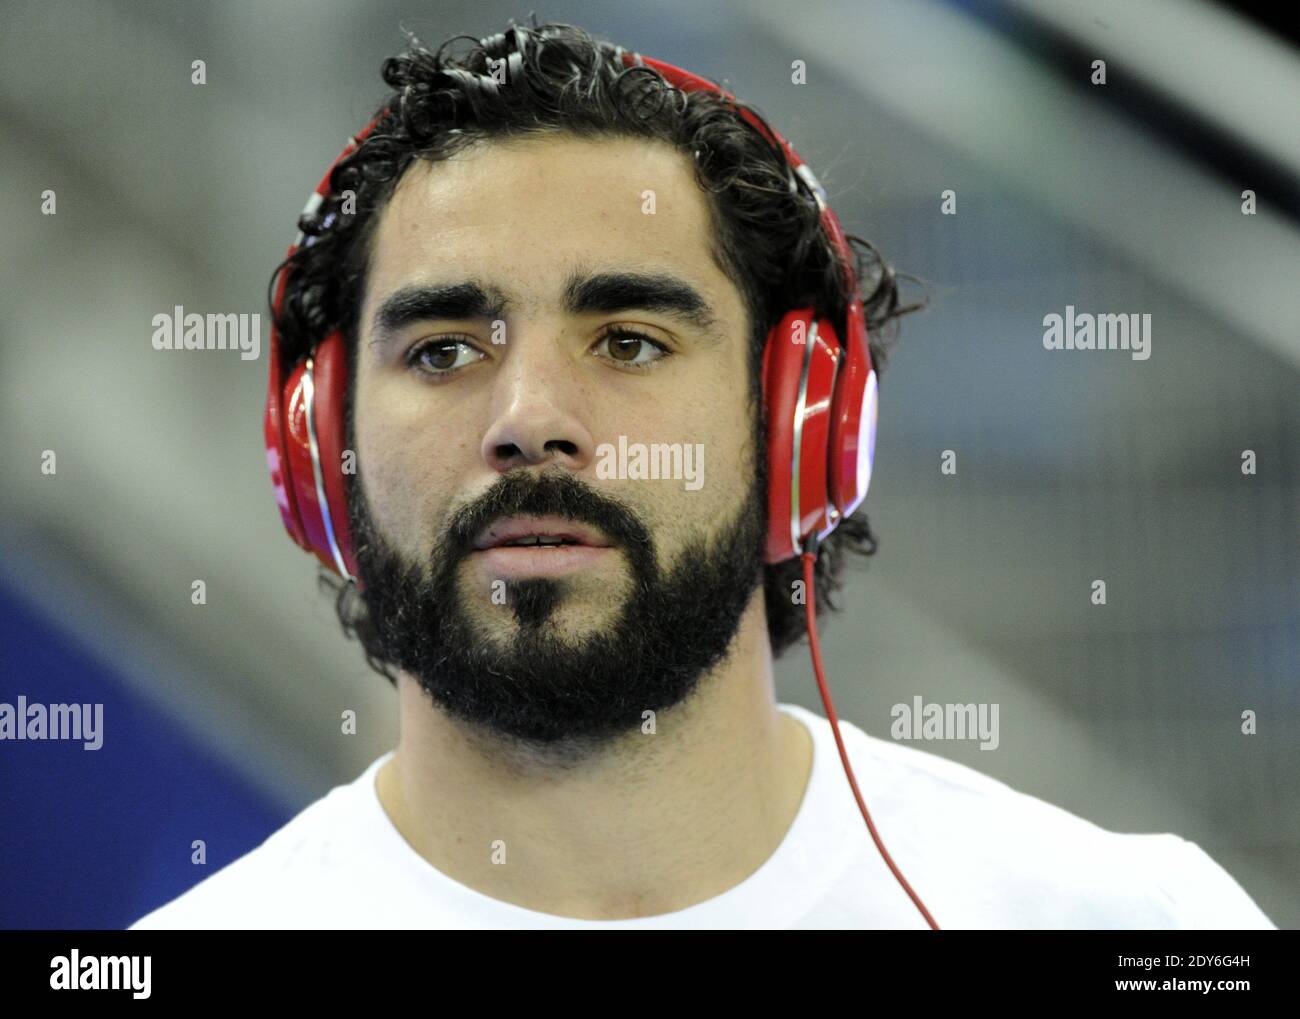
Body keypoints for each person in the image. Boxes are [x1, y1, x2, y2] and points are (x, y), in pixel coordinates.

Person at [129, 19, 1275, 930]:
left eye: (628, 340)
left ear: (796, 427)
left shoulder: (1130, 924)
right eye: (443, 350)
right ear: (317, 449)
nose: (529, 418)